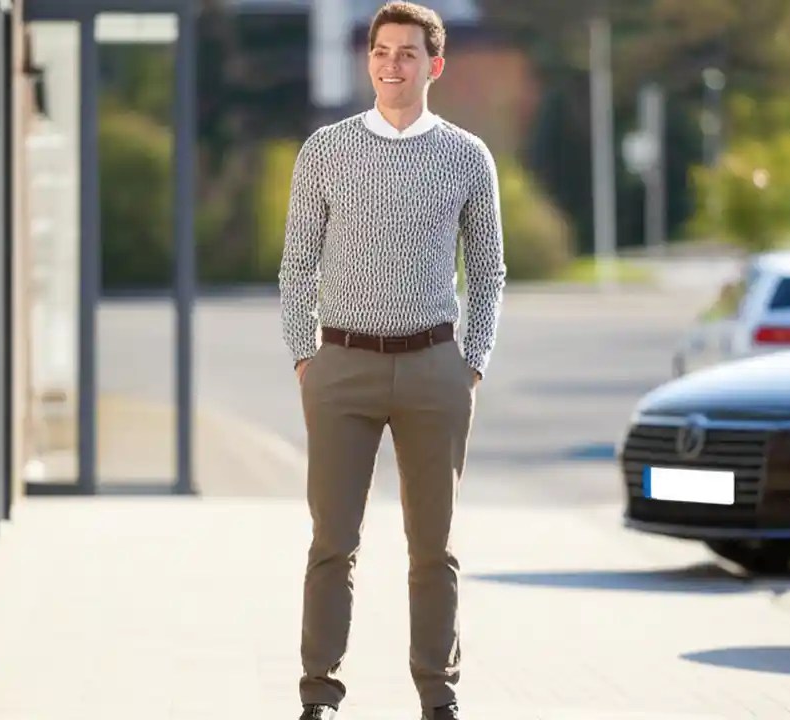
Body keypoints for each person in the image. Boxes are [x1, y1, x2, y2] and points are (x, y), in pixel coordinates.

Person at [278, 2, 506, 718]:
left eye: (408, 53)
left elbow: (490, 270)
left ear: (433, 65)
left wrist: (472, 362)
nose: (391, 65)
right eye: (381, 51)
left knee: (432, 550)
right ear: (367, 60)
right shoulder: (325, 150)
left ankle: (439, 698)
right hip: (340, 366)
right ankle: (319, 697)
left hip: (435, 368)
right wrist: (302, 357)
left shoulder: (468, 156)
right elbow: (295, 266)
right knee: (332, 544)